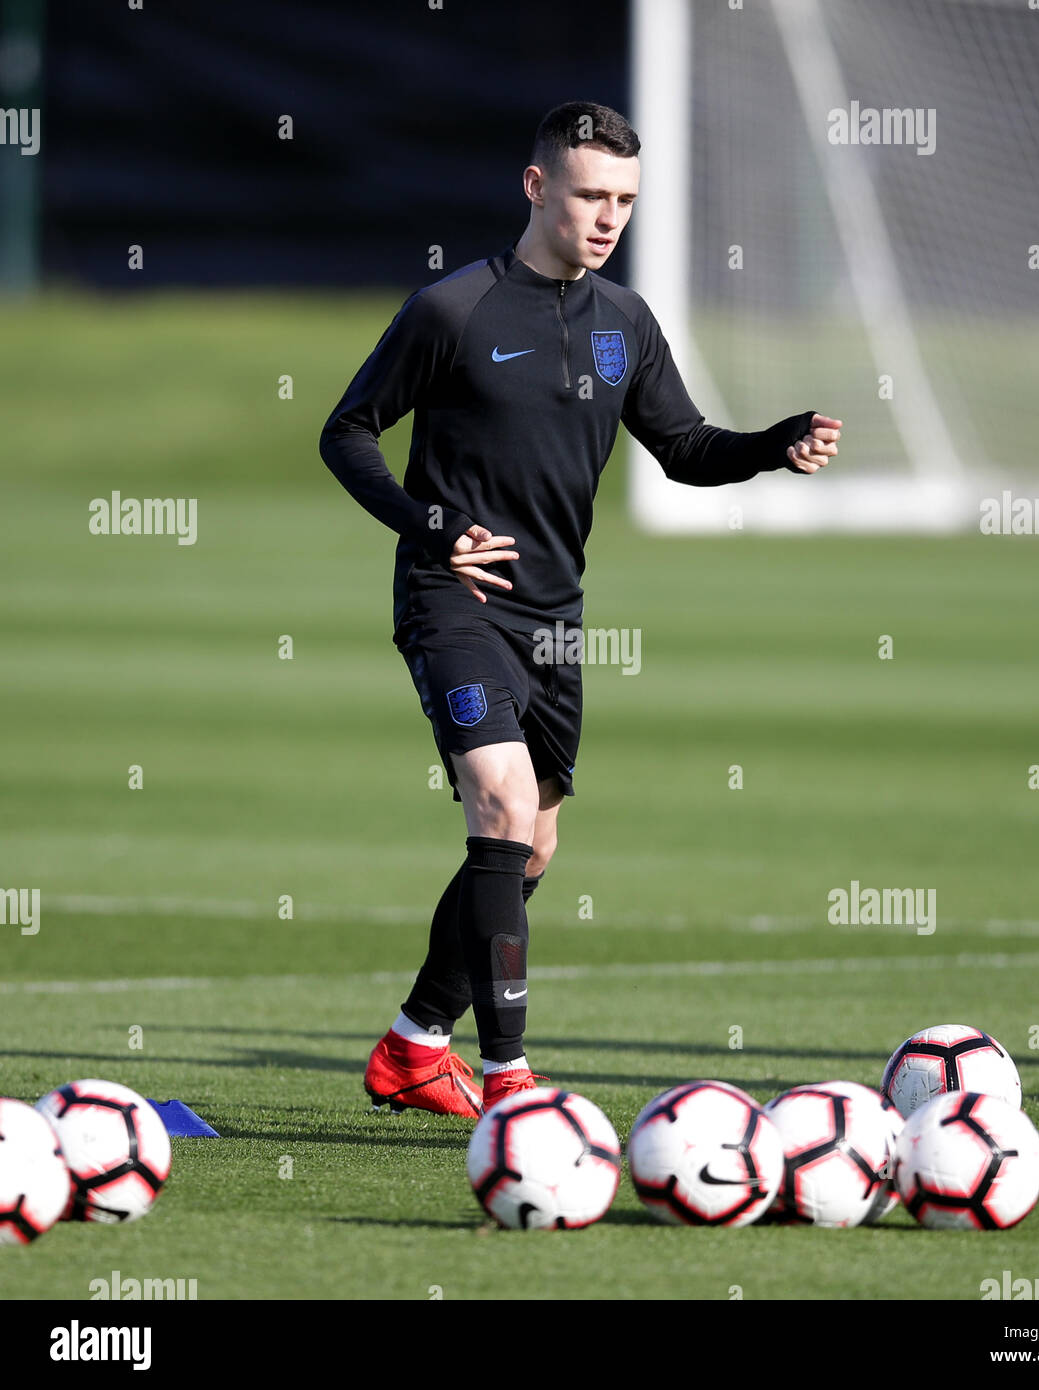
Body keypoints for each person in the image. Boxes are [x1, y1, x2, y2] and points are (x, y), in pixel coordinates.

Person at [319, 100, 841, 1117]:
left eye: (625, 202)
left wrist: (766, 443)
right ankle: (512, 1080)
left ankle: (417, 1042)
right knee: (502, 809)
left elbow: (684, 448)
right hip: (453, 599)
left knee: (530, 848)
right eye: (590, 195)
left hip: (556, 619)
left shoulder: (624, 322)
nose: (608, 218)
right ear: (535, 187)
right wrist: (429, 529)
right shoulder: (452, 309)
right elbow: (348, 432)